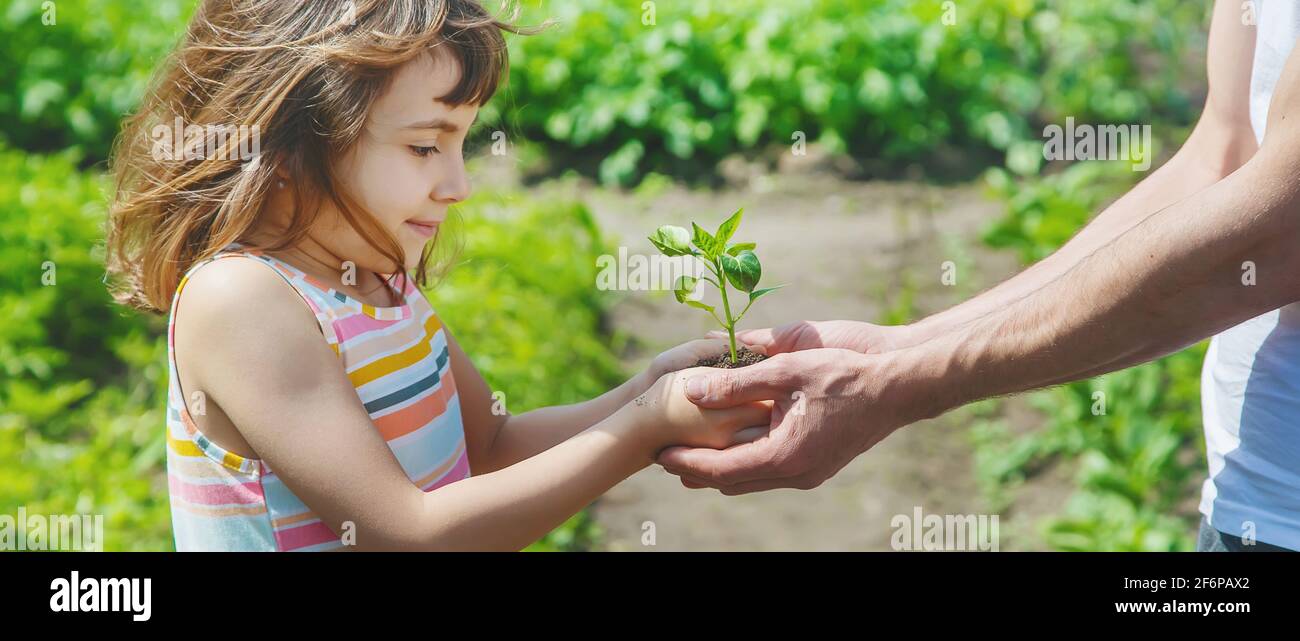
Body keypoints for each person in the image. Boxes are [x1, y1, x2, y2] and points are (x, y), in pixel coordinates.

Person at [105, 0, 768, 551]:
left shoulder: (382, 286)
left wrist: (649, 390)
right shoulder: (243, 301)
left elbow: (493, 446)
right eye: (426, 146)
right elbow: (411, 534)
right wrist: (645, 428)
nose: (459, 185)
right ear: (292, 143)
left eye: (462, 143)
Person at [659, 0, 1300, 552]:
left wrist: (901, 385)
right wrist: (902, 346)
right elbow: (1225, 156)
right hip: (1247, 497)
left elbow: (1276, 233)